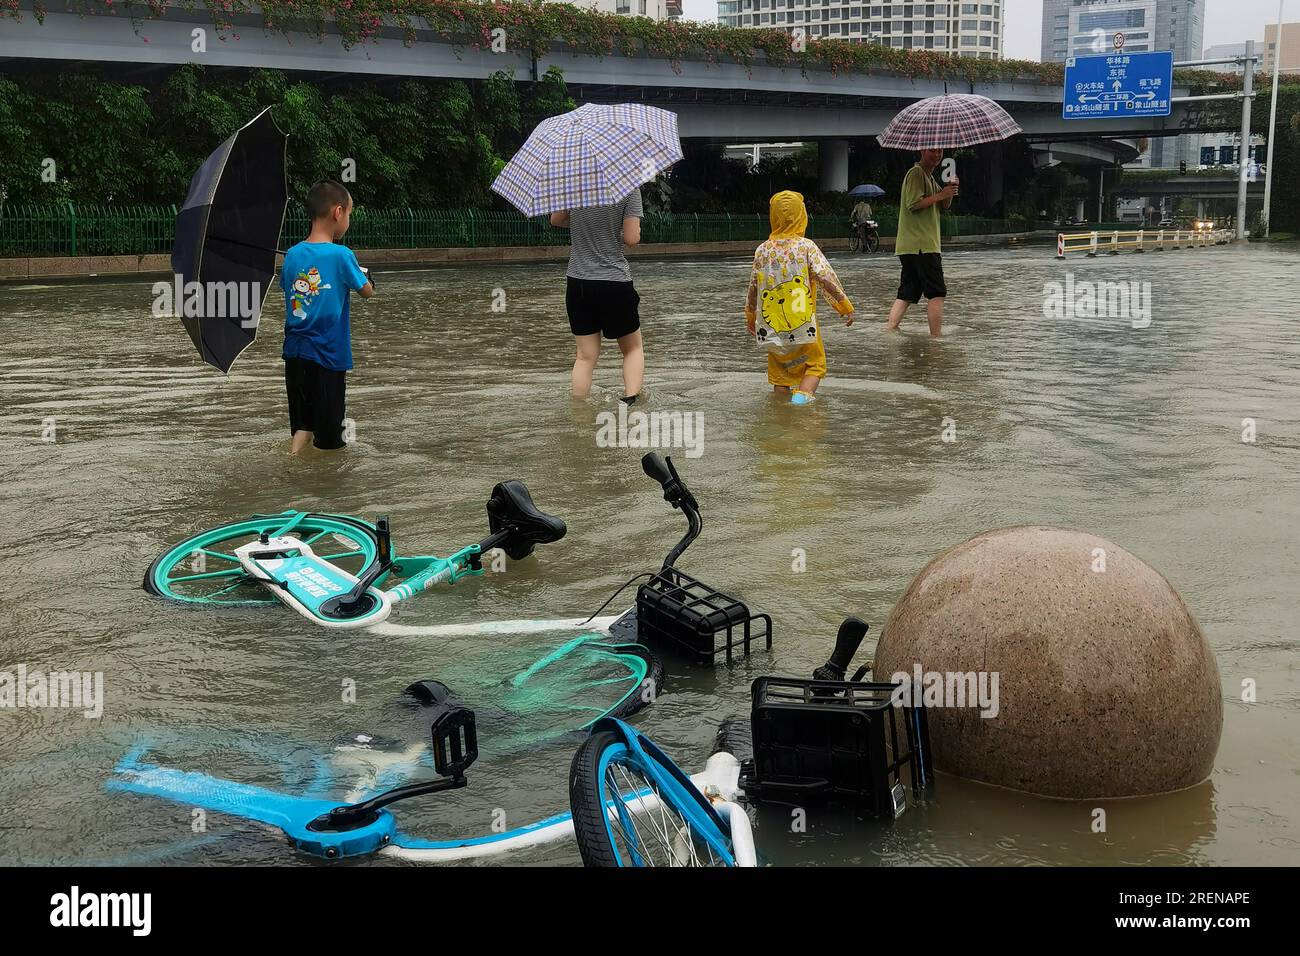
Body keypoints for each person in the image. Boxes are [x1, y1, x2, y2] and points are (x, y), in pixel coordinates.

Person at [280, 180, 375, 453]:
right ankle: (332, 490)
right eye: (349, 214)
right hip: (328, 357)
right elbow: (366, 292)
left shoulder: (293, 255)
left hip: (295, 354)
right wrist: (366, 275)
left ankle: (291, 467)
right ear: (338, 212)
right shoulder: (342, 255)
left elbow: (289, 290)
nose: (348, 220)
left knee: (303, 427)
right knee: (331, 439)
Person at [744, 191, 854, 405]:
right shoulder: (806, 246)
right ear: (801, 215)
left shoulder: (762, 250)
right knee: (815, 365)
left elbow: (753, 288)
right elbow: (825, 277)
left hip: (772, 323)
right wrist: (844, 306)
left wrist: (750, 317)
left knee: (781, 371)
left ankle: (779, 414)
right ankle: (799, 405)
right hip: (802, 322)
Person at [549, 189, 644, 405]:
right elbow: (631, 238)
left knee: (585, 356)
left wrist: (585, 225)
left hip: (577, 282)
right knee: (632, 349)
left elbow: (556, 219)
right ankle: (630, 406)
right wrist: (617, 229)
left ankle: (579, 412)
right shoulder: (629, 188)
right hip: (614, 281)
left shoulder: (575, 183)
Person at [884, 148, 958, 337]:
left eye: (940, 151)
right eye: (932, 151)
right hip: (922, 245)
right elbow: (913, 203)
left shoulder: (930, 178)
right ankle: (936, 338)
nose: (937, 154)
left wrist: (948, 190)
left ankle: (889, 331)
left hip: (912, 245)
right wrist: (941, 195)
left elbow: (944, 206)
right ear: (921, 151)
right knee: (937, 293)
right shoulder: (916, 173)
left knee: (908, 293)